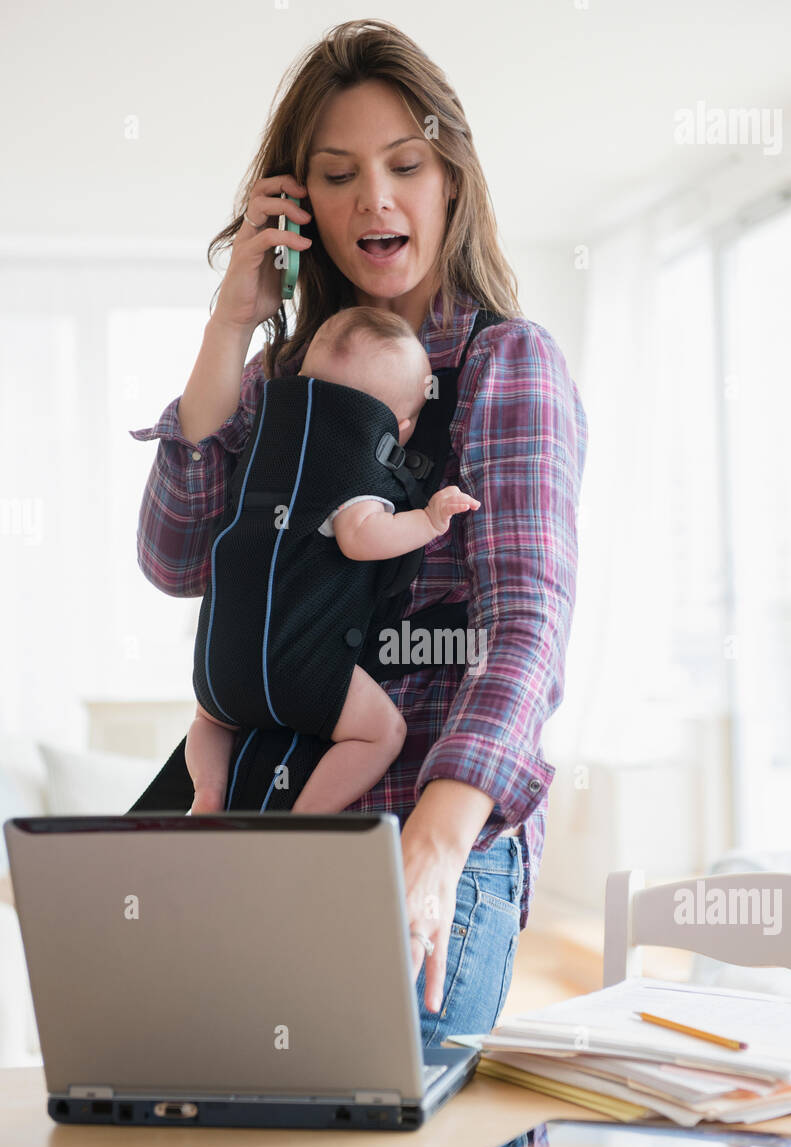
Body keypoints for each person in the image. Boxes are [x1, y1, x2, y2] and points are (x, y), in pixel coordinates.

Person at [130, 19, 587, 1044]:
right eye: (336, 175)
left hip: (427, 819)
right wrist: (229, 326)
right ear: (298, 208)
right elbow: (172, 557)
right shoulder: (275, 388)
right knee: (186, 1117)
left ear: (450, 184)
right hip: (263, 822)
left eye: (405, 165)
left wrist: (435, 841)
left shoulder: (506, 365)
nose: (374, 197)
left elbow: (526, 625)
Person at [184, 304, 480, 816]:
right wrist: (429, 520)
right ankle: (306, 821)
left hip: (219, 668)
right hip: (299, 668)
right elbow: (361, 538)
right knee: (383, 734)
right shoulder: (352, 470)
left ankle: (207, 794)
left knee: (210, 721)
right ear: (401, 426)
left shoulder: (265, 451)